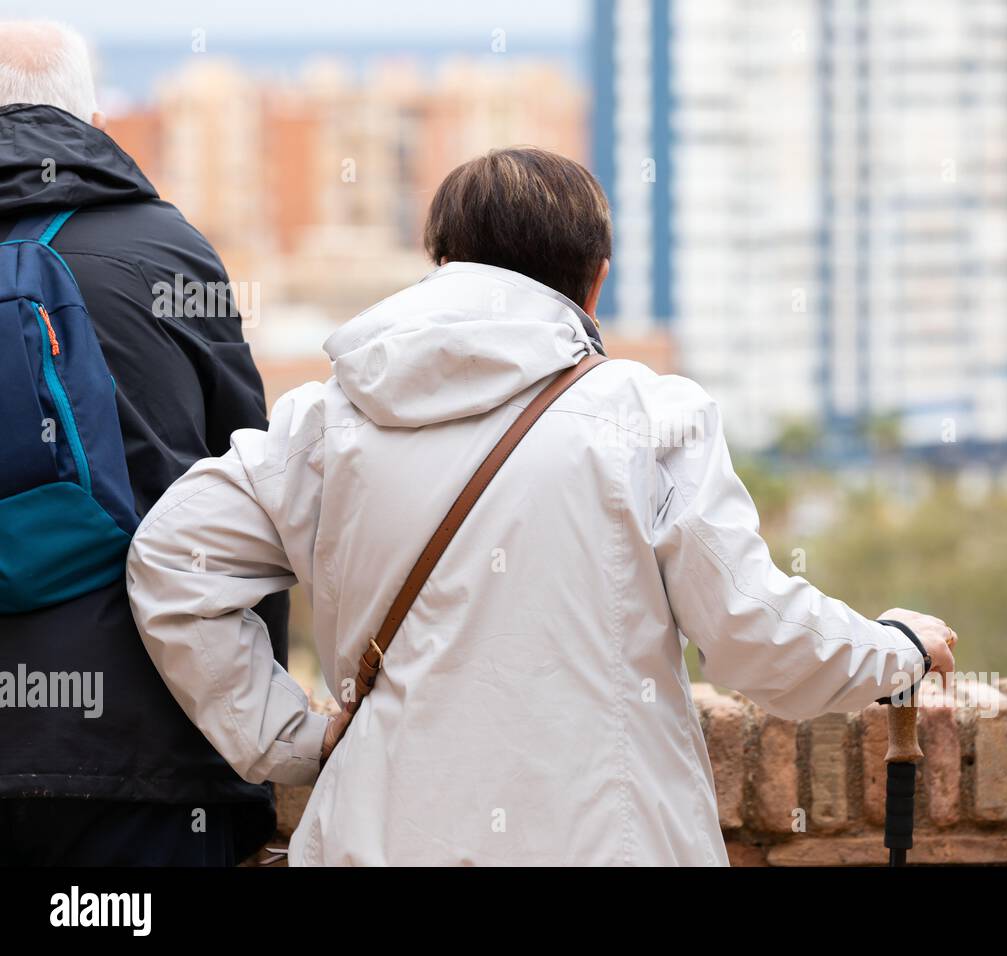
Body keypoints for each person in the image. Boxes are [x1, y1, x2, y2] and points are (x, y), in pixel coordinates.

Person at [126, 146, 957, 866]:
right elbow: (756, 639)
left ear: (439, 263)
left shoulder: (323, 423)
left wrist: (289, 743)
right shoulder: (648, 416)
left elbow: (171, 561)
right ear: (594, 284)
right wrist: (894, 650)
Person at [0, 20, 287, 865]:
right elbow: (249, 498)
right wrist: (250, 739)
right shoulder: (167, 250)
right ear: (91, 115)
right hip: (146, 748)